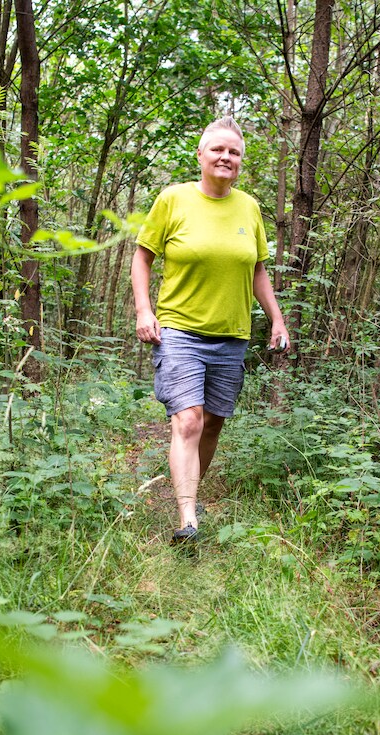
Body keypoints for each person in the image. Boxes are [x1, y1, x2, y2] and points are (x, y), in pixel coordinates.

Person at [131, 116, 291, 544]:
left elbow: (257, 270)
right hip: (180, 329)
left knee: (214, 422)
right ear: (200, 154)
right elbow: (142, 257)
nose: (225, 157)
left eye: (234, 152)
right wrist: (144, 310)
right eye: (218, 149)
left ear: (240, 162)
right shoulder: (173, 199)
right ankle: (187, 519)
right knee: (189, 420)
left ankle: (191, 493)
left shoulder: (249, 208)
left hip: (232, 335)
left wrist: (276, 318)